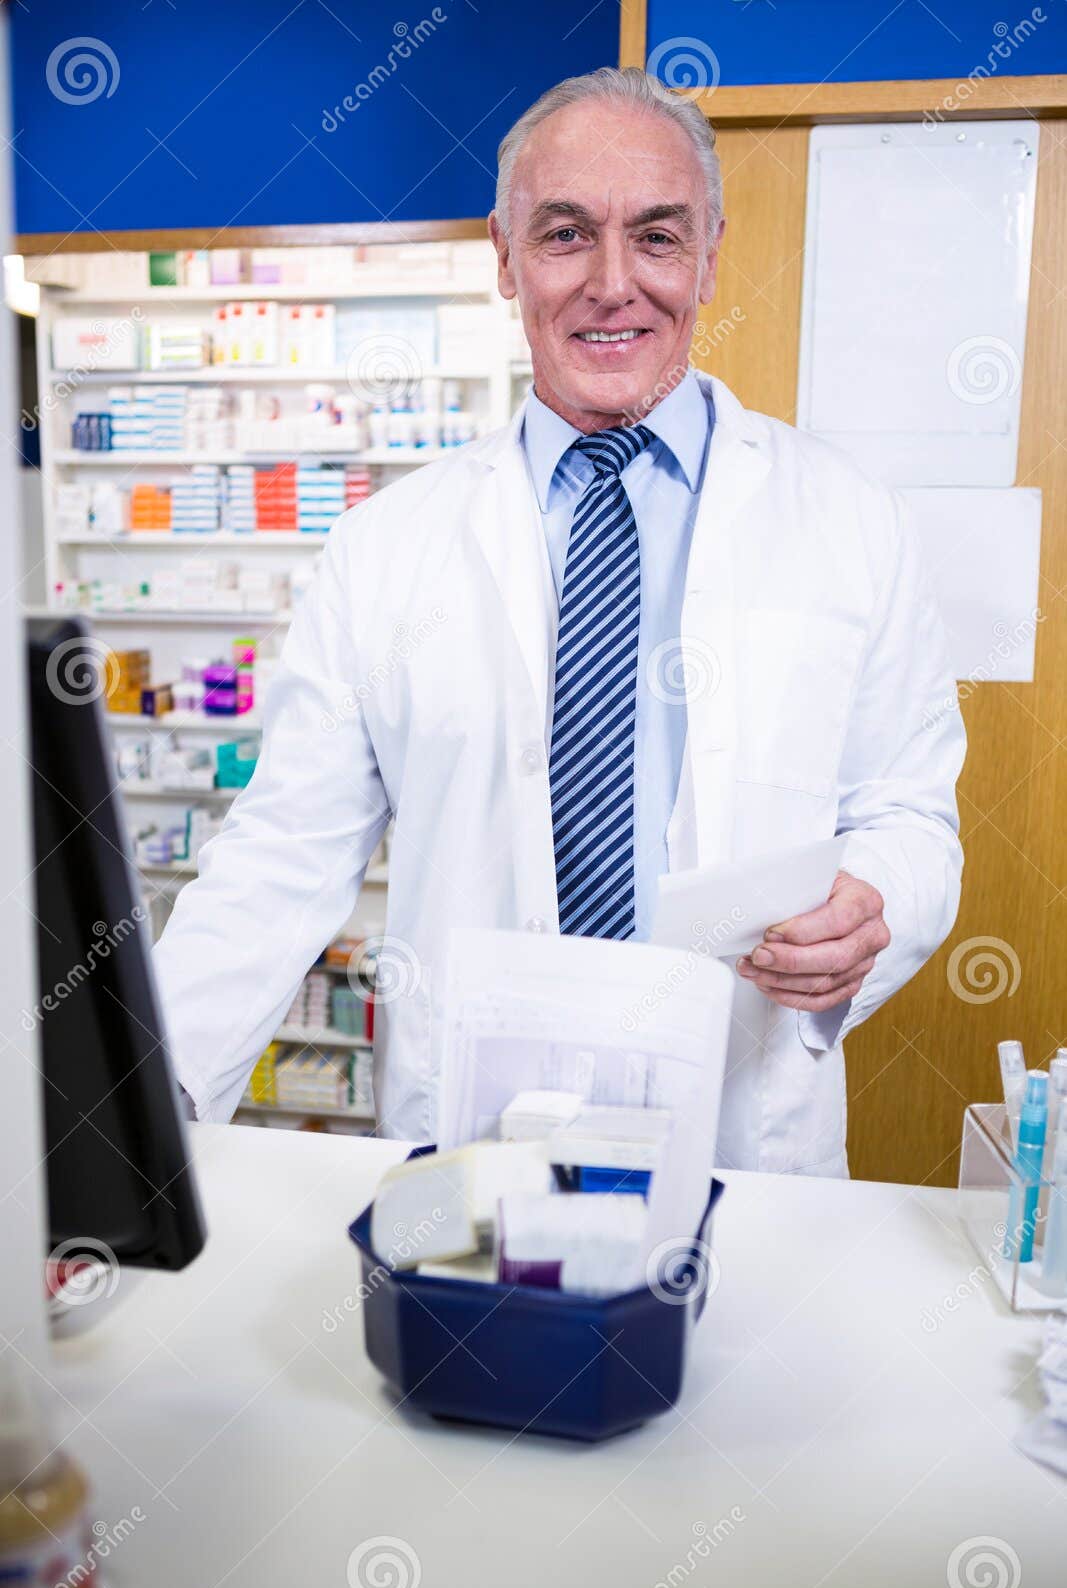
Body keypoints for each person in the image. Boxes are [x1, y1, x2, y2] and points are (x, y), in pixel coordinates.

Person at [153, 67, 965, 1176]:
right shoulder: (386, 550)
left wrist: (876, 906)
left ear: (711, 255)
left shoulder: (848, 521)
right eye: (566, 234)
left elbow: (909, 813)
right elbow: (281, 858)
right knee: (455, 1349)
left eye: (658, 238)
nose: (612, 284)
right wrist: (129, 1111)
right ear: (503, 256)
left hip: (741, 1137)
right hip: (473, 1141)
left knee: (741, 1348)